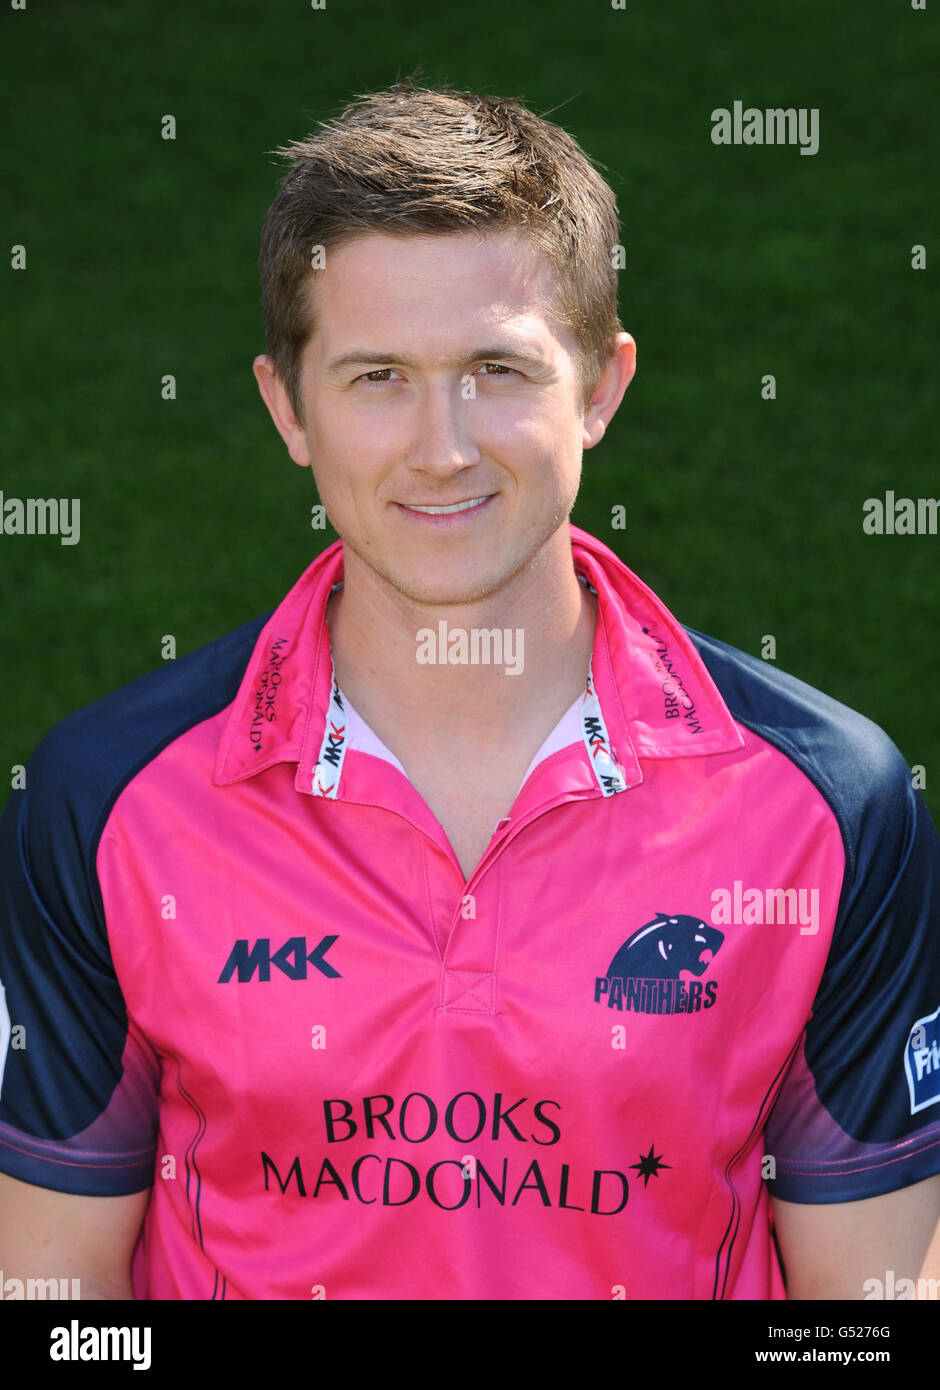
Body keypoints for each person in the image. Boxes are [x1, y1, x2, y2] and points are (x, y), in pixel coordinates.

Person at [1, 80, 938, 1302]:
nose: (442, 445)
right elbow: (55, 1301)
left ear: (599, 385)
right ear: (287, 406)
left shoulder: (829, 802)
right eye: (377, 376)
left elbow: (871, 1306)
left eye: (497, 368)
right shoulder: (104, 797)